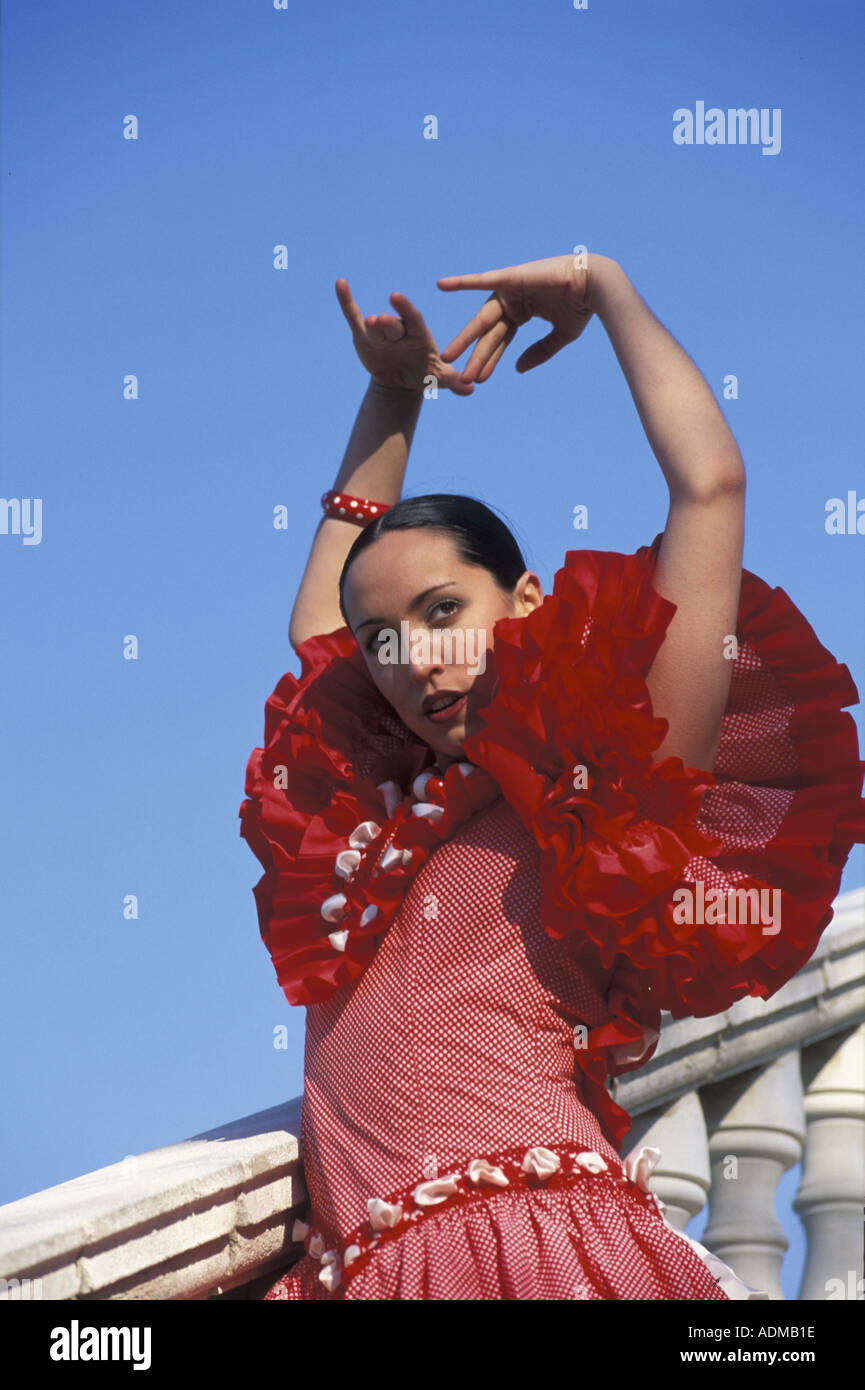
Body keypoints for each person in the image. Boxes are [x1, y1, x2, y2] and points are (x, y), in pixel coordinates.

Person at [238, 253, 865, 1301]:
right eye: (382, 641)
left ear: (524, 600)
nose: (413, 660)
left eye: (445, 612)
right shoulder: (382, 814)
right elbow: (317, 634)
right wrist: (396, 392)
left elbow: (708, 490)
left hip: (535, 1257)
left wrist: (606, 291)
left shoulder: (605, 786)